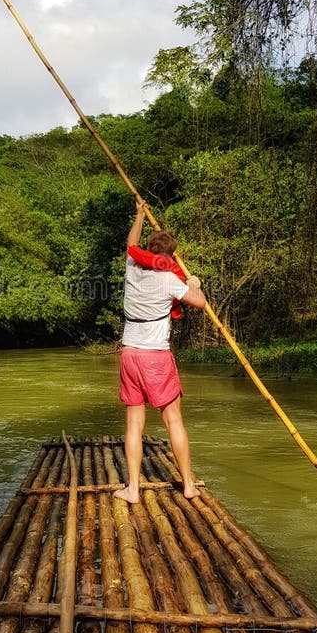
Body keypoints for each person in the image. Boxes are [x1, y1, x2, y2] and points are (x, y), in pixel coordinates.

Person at [115, 201, 207, 504]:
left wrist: (139, 215)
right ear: (169, 257)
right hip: (156, 357)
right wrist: (192, 282)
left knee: (134, 423)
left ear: (149, 252)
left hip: (130, 354)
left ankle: (132, 490)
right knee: (174, 421)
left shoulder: (131, 268)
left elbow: (130, 244)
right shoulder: (169, 279)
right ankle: (189, 486)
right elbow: (200, 303)